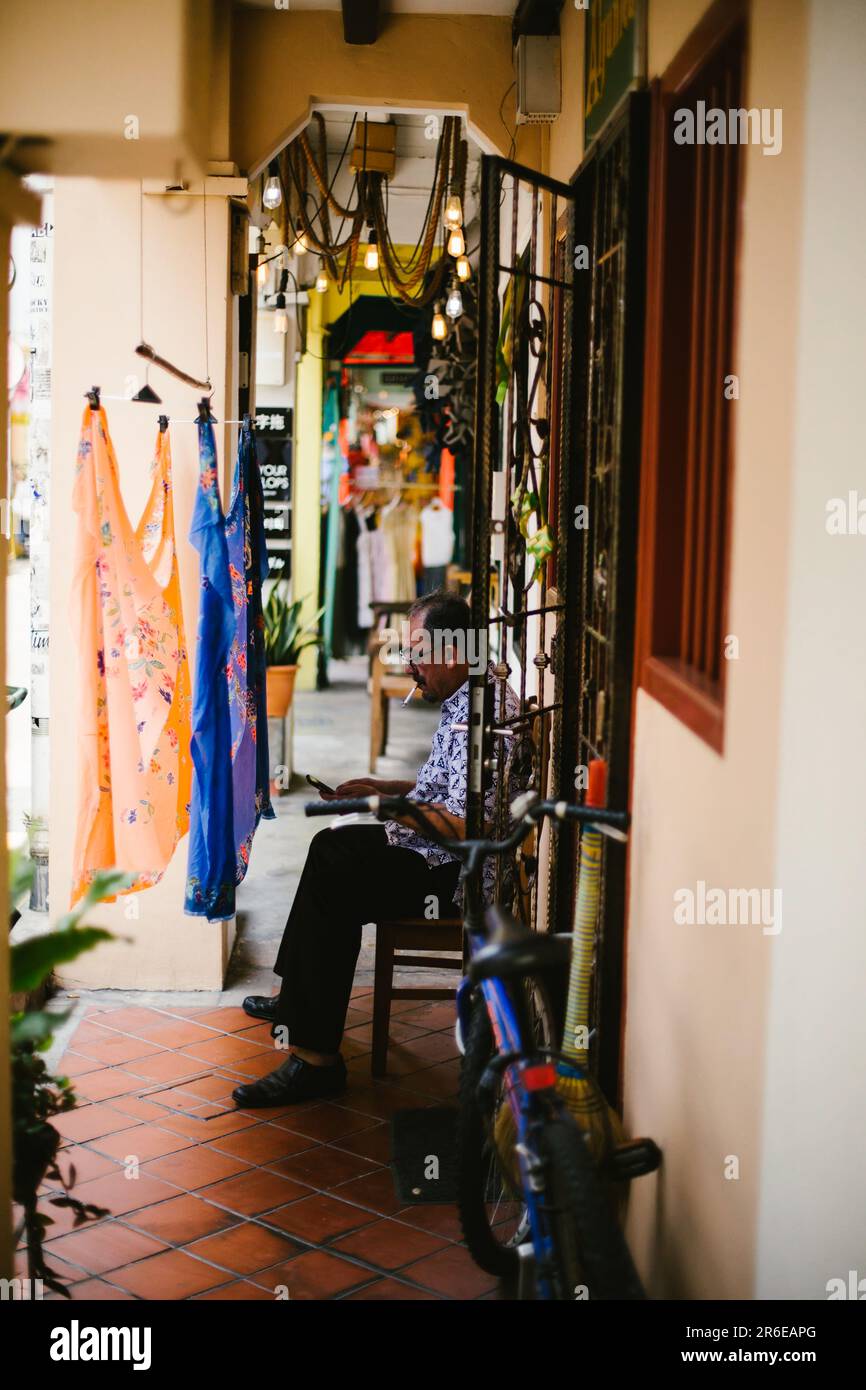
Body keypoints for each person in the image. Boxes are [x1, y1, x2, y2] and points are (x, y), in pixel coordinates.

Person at [232, 589, 518, 1108]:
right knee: (328, 849)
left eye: (416, 651)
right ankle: (299, 998)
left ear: (452, 652)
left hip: (456, 876)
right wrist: (383, 788)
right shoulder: (466, 698)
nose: (409, 665)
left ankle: (315, 1058)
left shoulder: (485, 717)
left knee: (336, 865)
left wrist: (388, 810)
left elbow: (466, 827)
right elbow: (446, 790)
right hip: (433, 851)